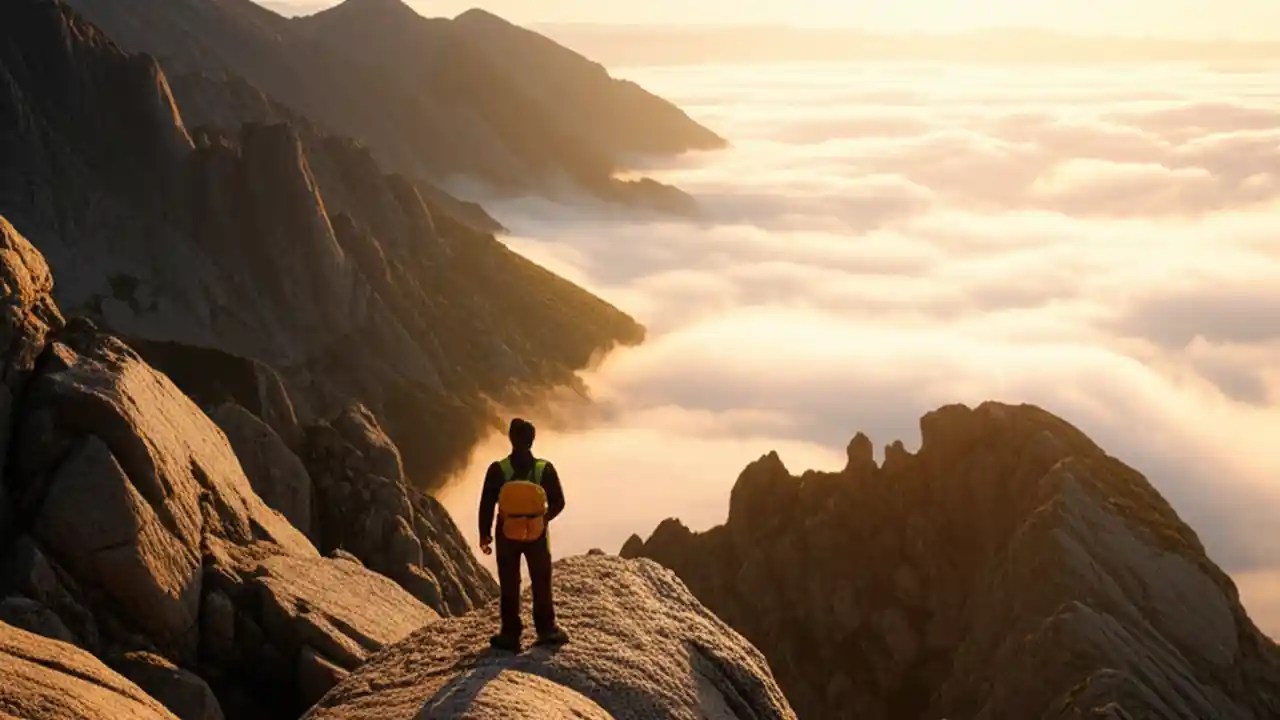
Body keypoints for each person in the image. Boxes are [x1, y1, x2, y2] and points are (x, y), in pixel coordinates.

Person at [479, 418, 569, 651]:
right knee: (541, 580)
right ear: (532, 440)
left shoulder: (498, 469)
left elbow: (487, 504)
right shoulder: (544, 469)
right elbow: (559, 502)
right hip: (537, 535)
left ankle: (510, 634)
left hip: (506, 533)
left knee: (509, 582)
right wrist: (541, 519)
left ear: (511, 439)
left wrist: (484, 535)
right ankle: (547, 630)